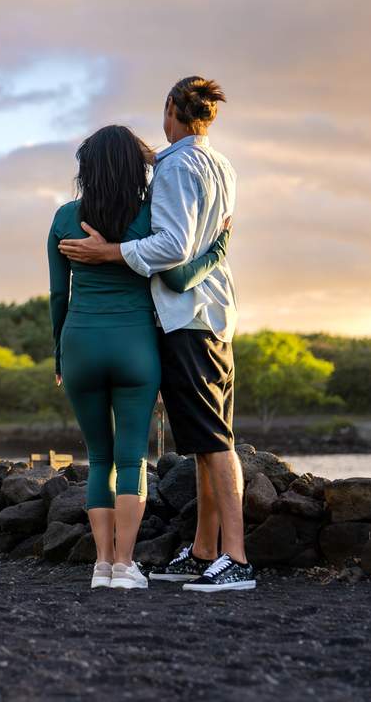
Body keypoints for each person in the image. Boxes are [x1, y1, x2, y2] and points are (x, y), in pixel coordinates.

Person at [57, 76, 251, 592]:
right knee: (205, 440)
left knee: (214, 440)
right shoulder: (219, 163)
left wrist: (110, 252)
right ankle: (205, 550)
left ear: (171, 108)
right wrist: (217, 251)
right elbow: (199, 243)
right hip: (212, 310)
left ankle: (235, 557)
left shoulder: (175, 166)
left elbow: (174, 247)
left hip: (187, 314)